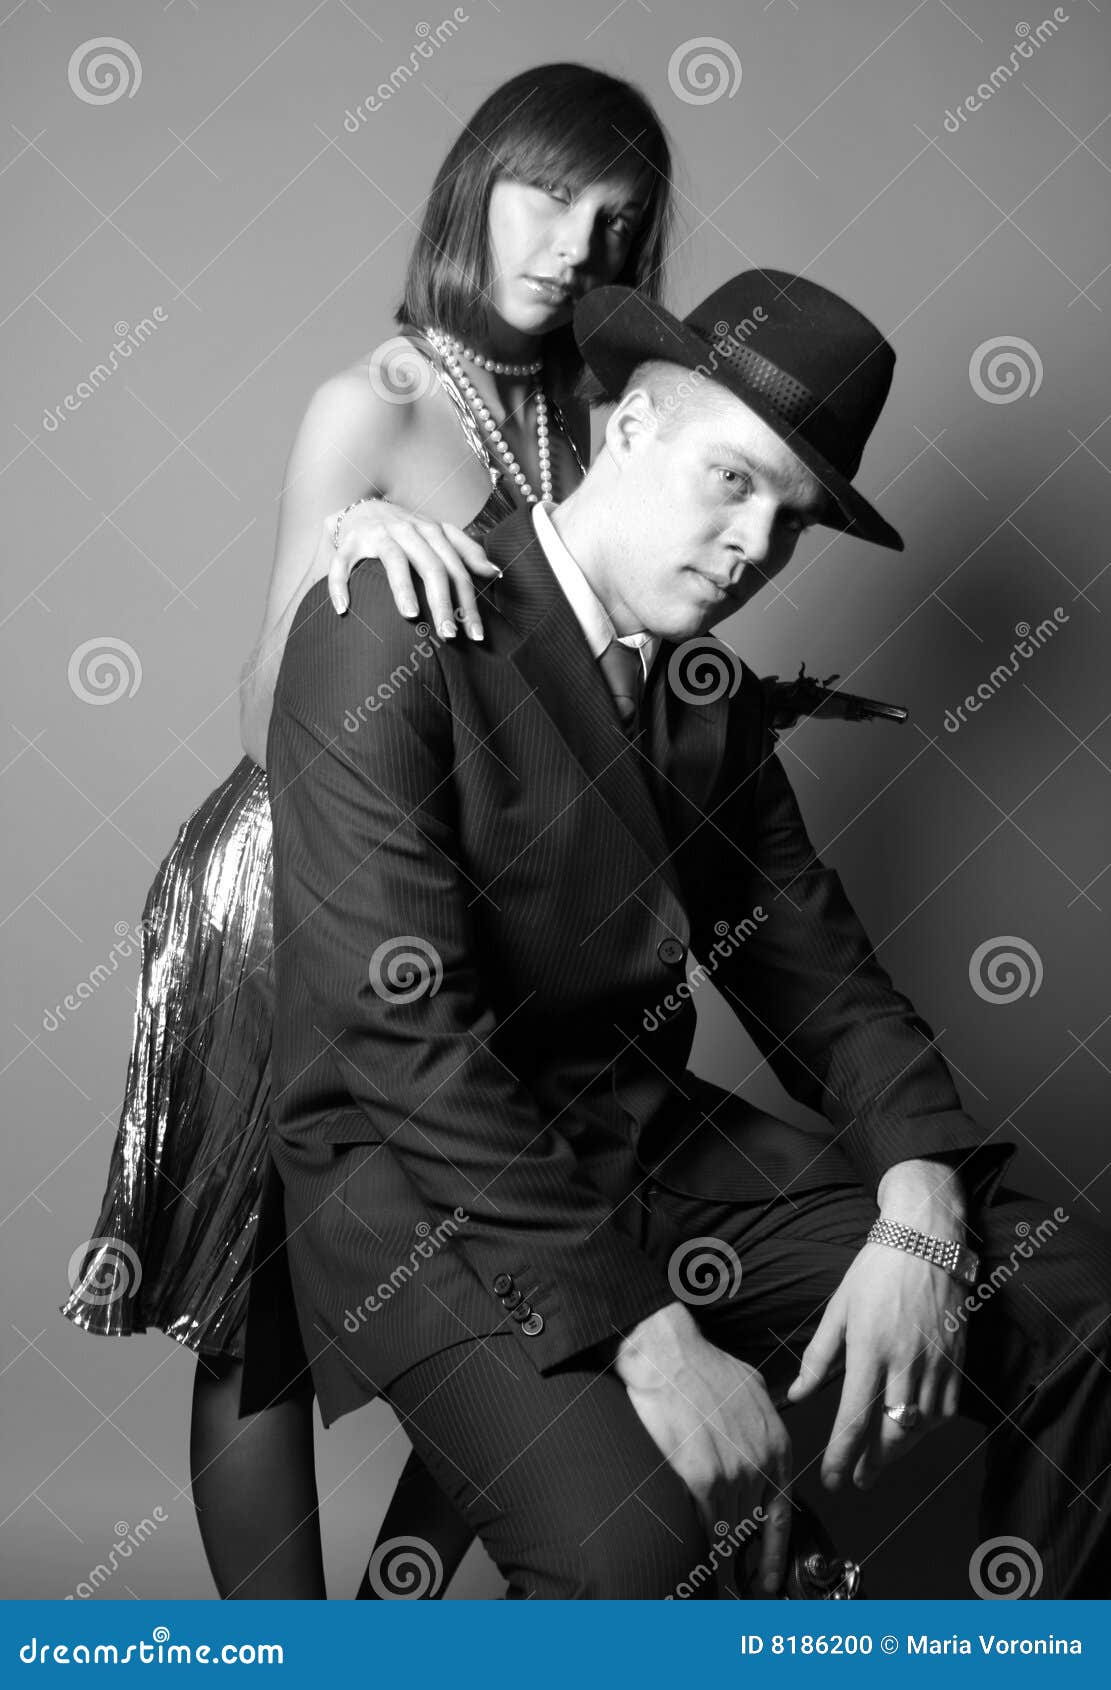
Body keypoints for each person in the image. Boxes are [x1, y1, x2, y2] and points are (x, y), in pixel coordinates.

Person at [256, 267, 1111, 1599]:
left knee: (1070, 1292)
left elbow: (822, 982)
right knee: (651, 1546)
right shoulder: (391, 621)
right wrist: (651, 1339)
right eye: (733, 480)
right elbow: (402, 1040)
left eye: (792, 519)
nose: (753, 547)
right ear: (632, 429)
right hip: (426, 1187)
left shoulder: (702, 695)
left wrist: (922, 1199)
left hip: (648, 1144)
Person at [59, 61, 675, 1599]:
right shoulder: (373, 402)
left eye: (615, 222)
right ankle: (286, 1650)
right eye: (547, 197)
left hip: (470, 900)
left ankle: (396, 1627)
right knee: (257, 1294)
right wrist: (349, 547)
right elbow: (265, 703)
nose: (572, 248)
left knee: (494, 1266)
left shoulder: (597, 421)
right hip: (285, 886)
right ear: (477, 186)